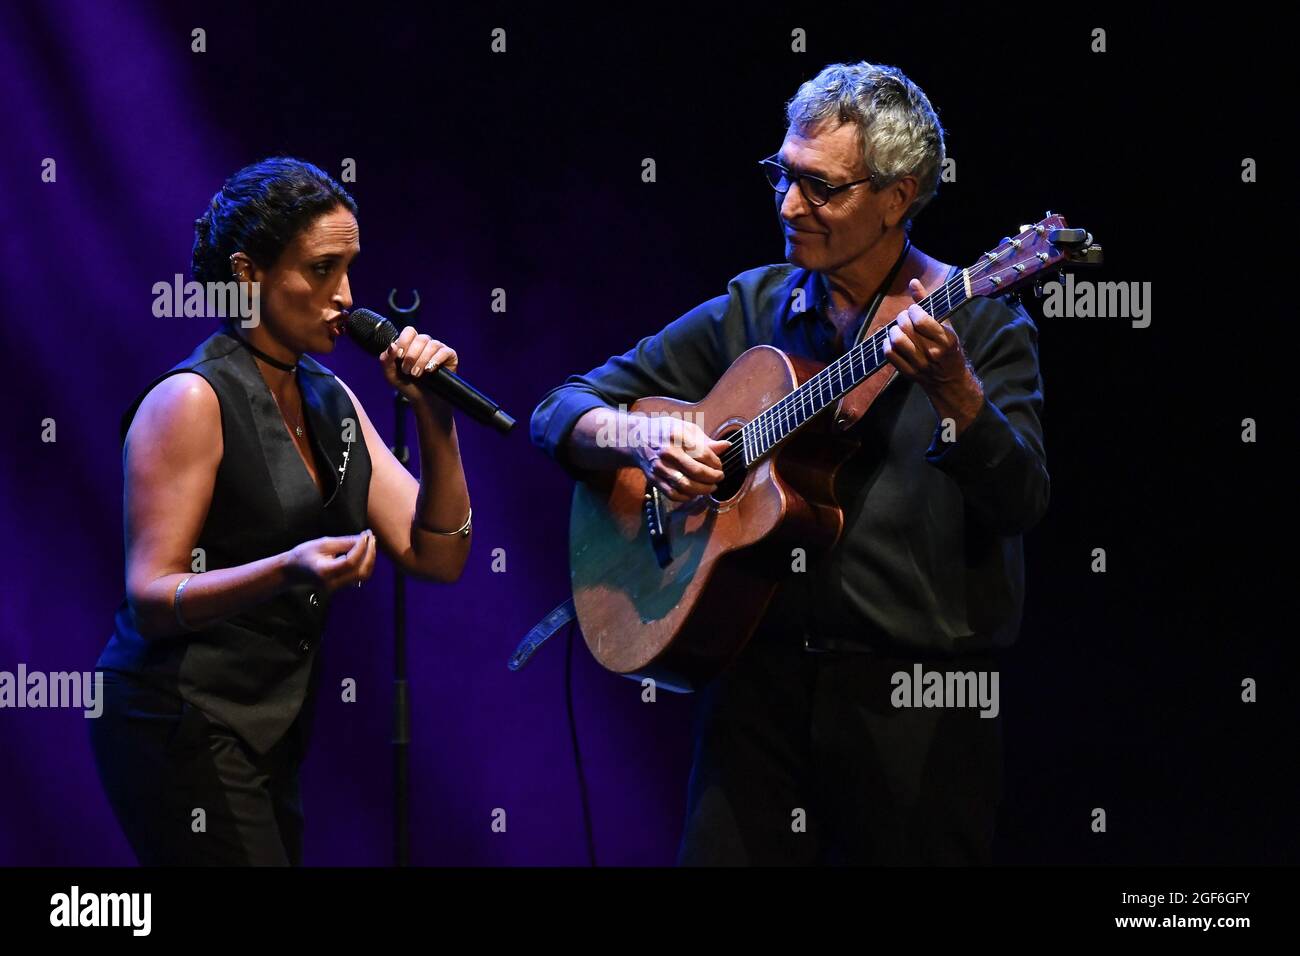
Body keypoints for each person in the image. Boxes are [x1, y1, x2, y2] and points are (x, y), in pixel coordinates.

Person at [531, 62, 1049, 865]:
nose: (787, 205)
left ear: (898, 196)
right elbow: (559, 410)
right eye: (783, 175)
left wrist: (958, 394)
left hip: (912, 707)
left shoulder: (984, 328)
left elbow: (1022, 501)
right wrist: (644, 438)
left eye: (821, 188)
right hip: (754, 696)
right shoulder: (752, 306)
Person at [91, 157, 473, 865]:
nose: (345, 298)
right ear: (248, 275)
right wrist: (285, 569)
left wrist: (435, 420)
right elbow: (151, 596)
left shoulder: (332, 399)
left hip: (267, 725)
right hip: (175, 714)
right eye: (321, 270)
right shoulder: (191, 400)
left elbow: (437, 554)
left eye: (349, 269)